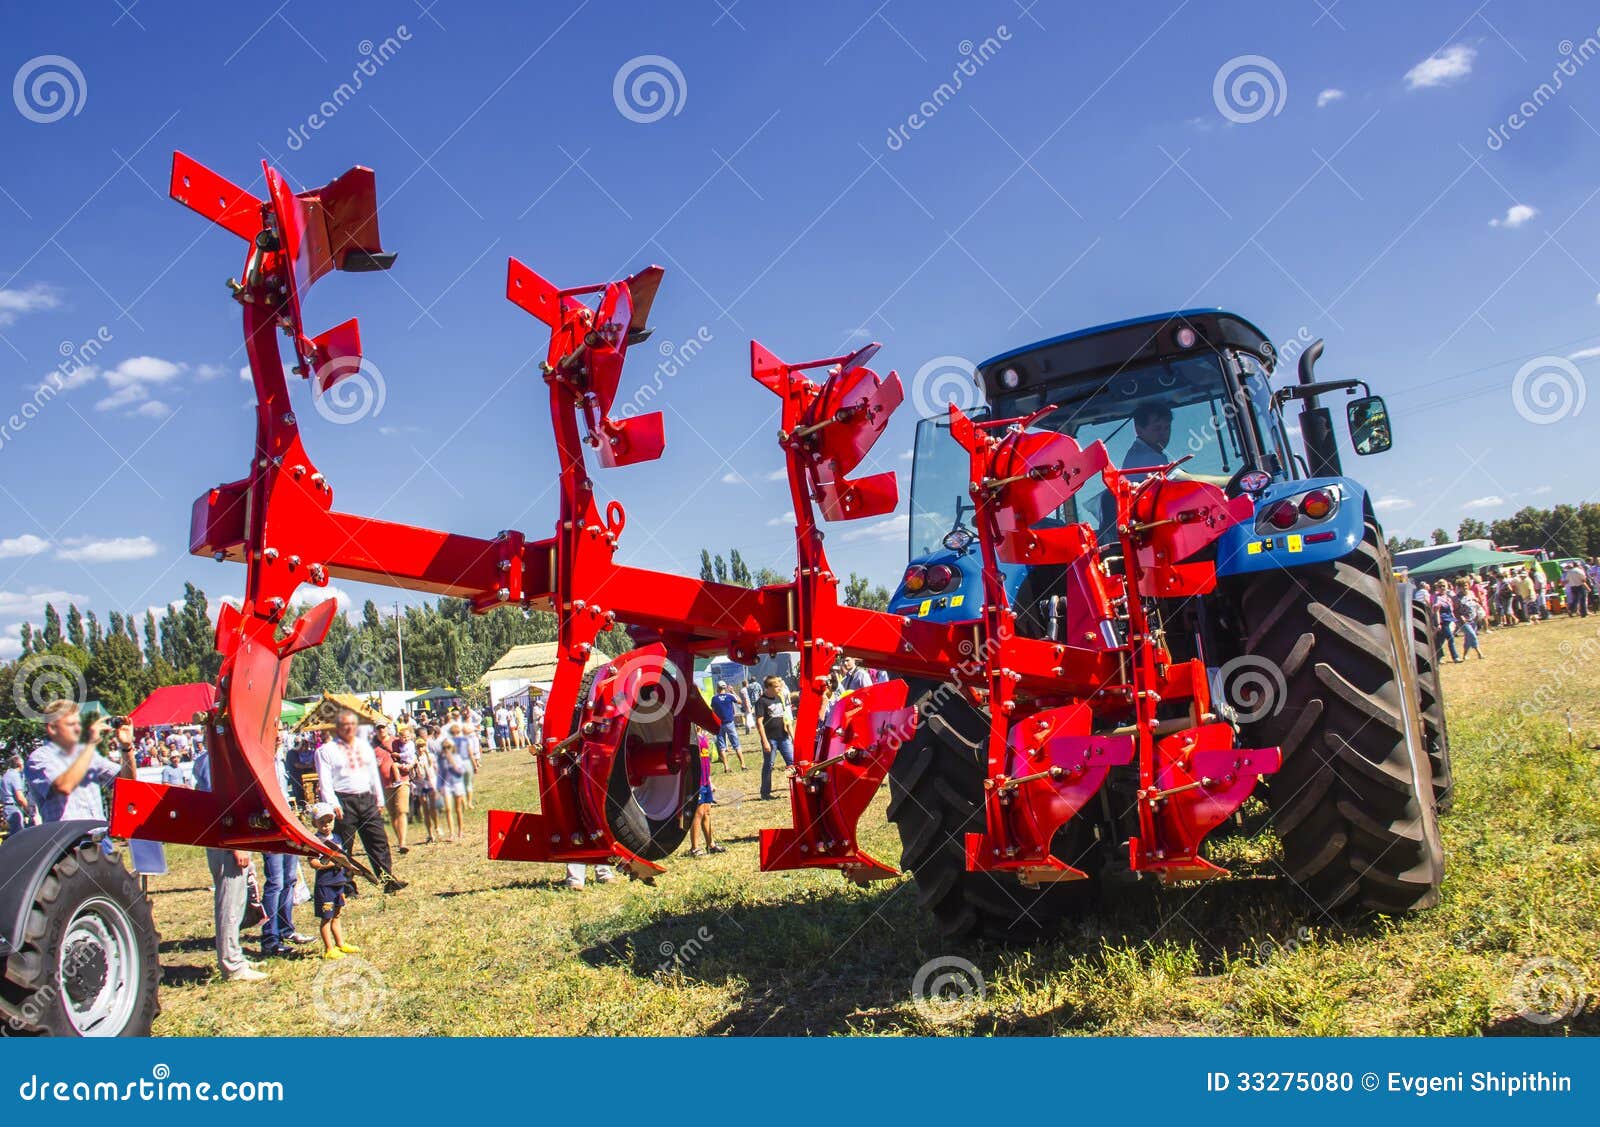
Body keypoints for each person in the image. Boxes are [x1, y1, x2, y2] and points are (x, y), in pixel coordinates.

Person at [192, 736, 268, 982]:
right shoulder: (217, 764)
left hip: (226, 839)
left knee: (236, 901)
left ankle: (234, 956)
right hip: (228, 841)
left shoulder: (211, 761)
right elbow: (223, 805)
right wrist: (237, 843)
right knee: (230, 903)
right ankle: (232, 965)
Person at [316, 710, 406, 893]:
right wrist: (333, 804)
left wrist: (379, 799)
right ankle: (347, 886)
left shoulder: (364, 747)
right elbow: (324, 781)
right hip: (343, 800)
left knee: (378, 840)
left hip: (366, 798)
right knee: (344, 846)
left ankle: (388, 880)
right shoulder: (325, 751)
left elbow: (373, 773)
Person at [25, 701, 135, 823]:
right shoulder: (39, 758)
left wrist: (127, 747)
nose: (78, 729)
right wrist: (91, 744)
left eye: (79, 724)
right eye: (71, 724)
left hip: (98, 837)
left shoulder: (85, 753)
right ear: (52, 728)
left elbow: (128, 783)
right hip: (67, 839)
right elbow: (63, 787)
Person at [305, 804, 359, 961]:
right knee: (326, 917)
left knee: (337, 915)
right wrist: (333, 863)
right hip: (325, 886)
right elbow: (313, 863)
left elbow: (344, 858)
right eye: (322, 822)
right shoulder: (314, 841)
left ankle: (340, 943)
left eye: (329, 821)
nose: (326, 825)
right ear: (315, 823)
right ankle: (329, 948)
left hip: (338, 884)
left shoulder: (337, 838)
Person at [756, 676, 795, 800]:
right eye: (776, 686)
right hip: (770, 739)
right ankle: (765, 792)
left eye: (780, 686)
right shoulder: (761, 702)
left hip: (783, 737)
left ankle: (797, 788)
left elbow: (785, 719)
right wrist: (765, 741)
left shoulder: (779, 698)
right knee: (769, 765)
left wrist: (791, 735)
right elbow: (759, 723)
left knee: (793, 763)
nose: (779, 688)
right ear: (768, 688)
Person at [688, 731, 726, 858]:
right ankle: (694, 848)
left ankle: (711, 845)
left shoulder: (703, 737)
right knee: (698, 813)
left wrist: (710, 781)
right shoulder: (691, 739)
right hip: (696, 782)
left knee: (707, 812)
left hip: (705, 781)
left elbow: (706, 762)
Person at [435, 725, 467, 843]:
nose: (446, 749)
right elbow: (440, 774)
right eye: (444, 747)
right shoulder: (441, 760)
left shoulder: (457, 757)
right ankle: (452, 833)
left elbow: (461, 771)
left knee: (458, 809)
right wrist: (439, 788)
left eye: (448, 747)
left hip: (457, 783)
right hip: (446, 785)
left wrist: (452, 761)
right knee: (448, 809)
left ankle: (461, 831)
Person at [707, 681, 747, 771]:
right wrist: (733, 692)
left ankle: (726, 767)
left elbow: (712, 711)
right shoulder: (730, 696)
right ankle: (743, 765)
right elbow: (740, 702)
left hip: (719, 724)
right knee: (736, 744)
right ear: (725, 688)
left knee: (722, 747)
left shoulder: (714, 699)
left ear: (717, 688)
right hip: (729, 723)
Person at [388, 725, 416, 853]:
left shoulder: (407, 744)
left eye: (407, 737)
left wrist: (409, 763)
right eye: (403, 737)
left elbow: (412, 755)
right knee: (393, 813)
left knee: (401, 810)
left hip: (404, 777)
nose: (405, 739)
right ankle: (400, 840)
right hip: (385, 784)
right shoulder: (396, 742)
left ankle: (403, 842)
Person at [3, 752, 32, 835]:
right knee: (19, 836)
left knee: (14, 834)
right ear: (19, 763)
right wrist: (28, 809)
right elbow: (20, 797)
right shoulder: (15, 776)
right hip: (14, 808)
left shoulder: (6, 776)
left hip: (7, 808)